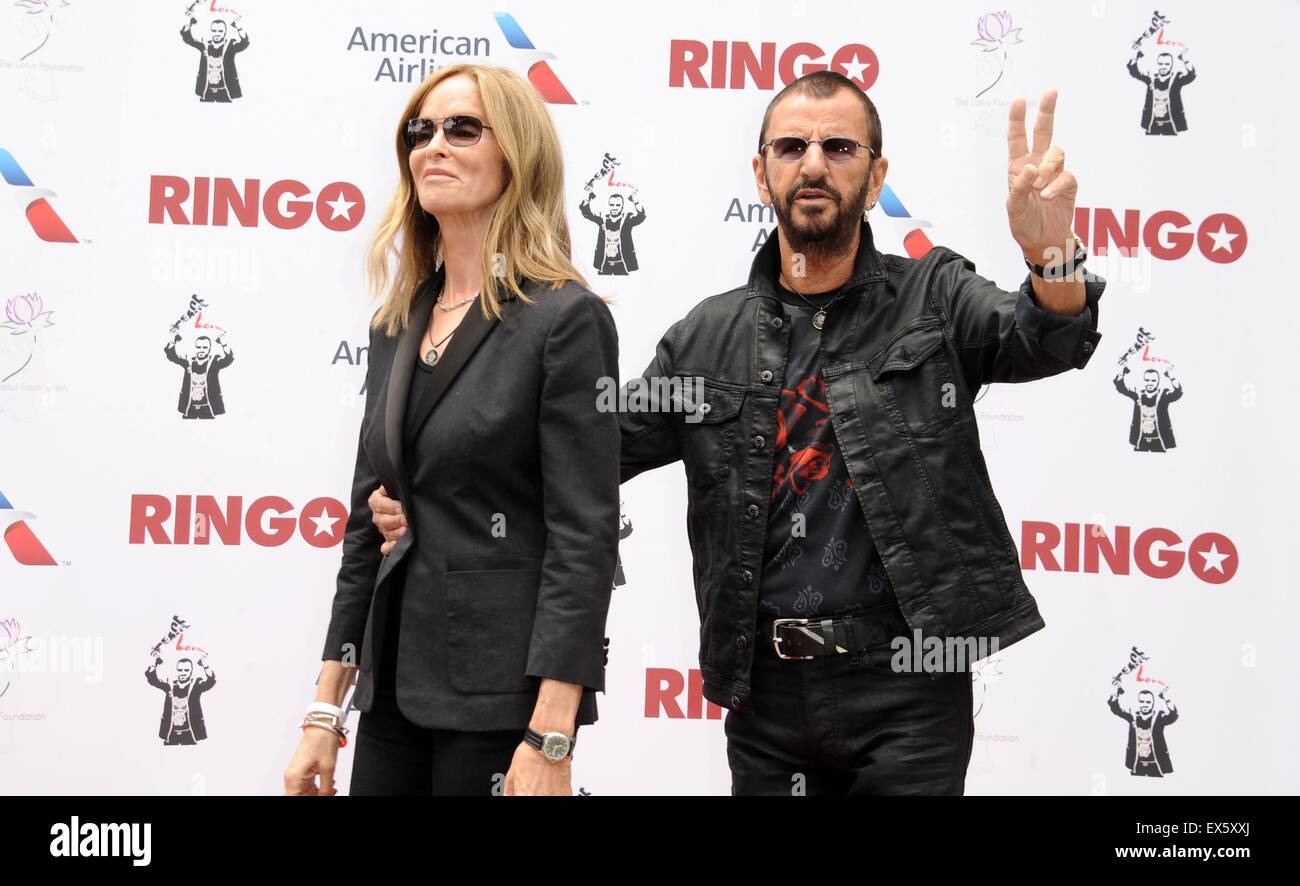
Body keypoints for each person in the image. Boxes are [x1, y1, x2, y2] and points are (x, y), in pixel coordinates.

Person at [371, 71, 1105, 795]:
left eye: (839, 148)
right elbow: (580, 454)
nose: (813, 164)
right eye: (791, 147)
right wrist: (432, 488)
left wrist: (1051, 255)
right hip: (767, 698)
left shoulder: (934, 296)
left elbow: (1044, 339)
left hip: (910, 689)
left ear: (876, 175)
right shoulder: (707, 338)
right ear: (761, 174)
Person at [283, 63, 620, 797]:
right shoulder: (397, 323)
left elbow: (584, 536)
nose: (433, 145)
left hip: (501, 703)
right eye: (420, 131)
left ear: (518, 153)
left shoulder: (564, 319)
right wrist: (324, 708)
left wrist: (550, 734)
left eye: (463, 128)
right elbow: (363, 528)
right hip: (392, 689)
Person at [180, 5, 249, 103]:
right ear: (211, 31)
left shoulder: (230, 46)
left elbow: (244, 43)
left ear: (225, 32)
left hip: (226, 92)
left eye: (220, 31)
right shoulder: (204, 45)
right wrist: (188, 21)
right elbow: (188, 39)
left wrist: (239, 27)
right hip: (206, 91)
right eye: (214, 31)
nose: (217, 33)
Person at [1109, 683, 1179, 776]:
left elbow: (1173, 716)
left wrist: (1167, 699)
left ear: (1153, 703)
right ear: (1138, 702)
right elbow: (1116, 709)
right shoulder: (1132, 716)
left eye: (1148, 702)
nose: (1145, 705)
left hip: (1156, 764)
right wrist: (1116, 692)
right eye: (1142, 702)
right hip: (1136, 764)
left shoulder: (1158, 717)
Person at [145, 655, 216, 745]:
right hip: (170, 733)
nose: (183, 673)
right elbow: (152, 680)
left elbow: (211, 681)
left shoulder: (196, 685)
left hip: (191, 733)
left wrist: (205, 665)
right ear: (176, 671)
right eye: (180, 670)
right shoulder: (170, 684)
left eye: (186, 670)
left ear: (191, 671)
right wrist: (155, 662)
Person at [164, 330, 233, 419]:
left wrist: (223, 344)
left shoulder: (214, 362)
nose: (201, 350)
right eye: (198, 347)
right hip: (188, 408)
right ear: (195, 347)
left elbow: (229, 359)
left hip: (208, 409)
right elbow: (171, 355)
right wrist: (174, 339)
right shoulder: (188, 361)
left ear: (209, 348)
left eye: (205, 347)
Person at [1126, 48, 1196, 135]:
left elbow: (1191, 75)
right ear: (1157, 64)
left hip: (1171, 124)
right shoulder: (1150, 78)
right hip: (1152, 123)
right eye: (1160, 64)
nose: (1163, 66)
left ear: (1171, 65)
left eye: (1167, 64)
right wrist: (1135, 55)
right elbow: (1134, 72)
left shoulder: (1176, 78)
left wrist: (1185, 60)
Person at [1114, 364, 1182, 452]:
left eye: (1153, 380)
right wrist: (1122, 372)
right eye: (1147, 380)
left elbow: (1178, 393)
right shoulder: (1137, 394)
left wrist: (1171, 377)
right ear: (1144, 381)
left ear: (1158, 381)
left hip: (1160, 440)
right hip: (1140, 440)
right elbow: (1121, 388)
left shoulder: (1163, 395)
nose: (1150, 383)